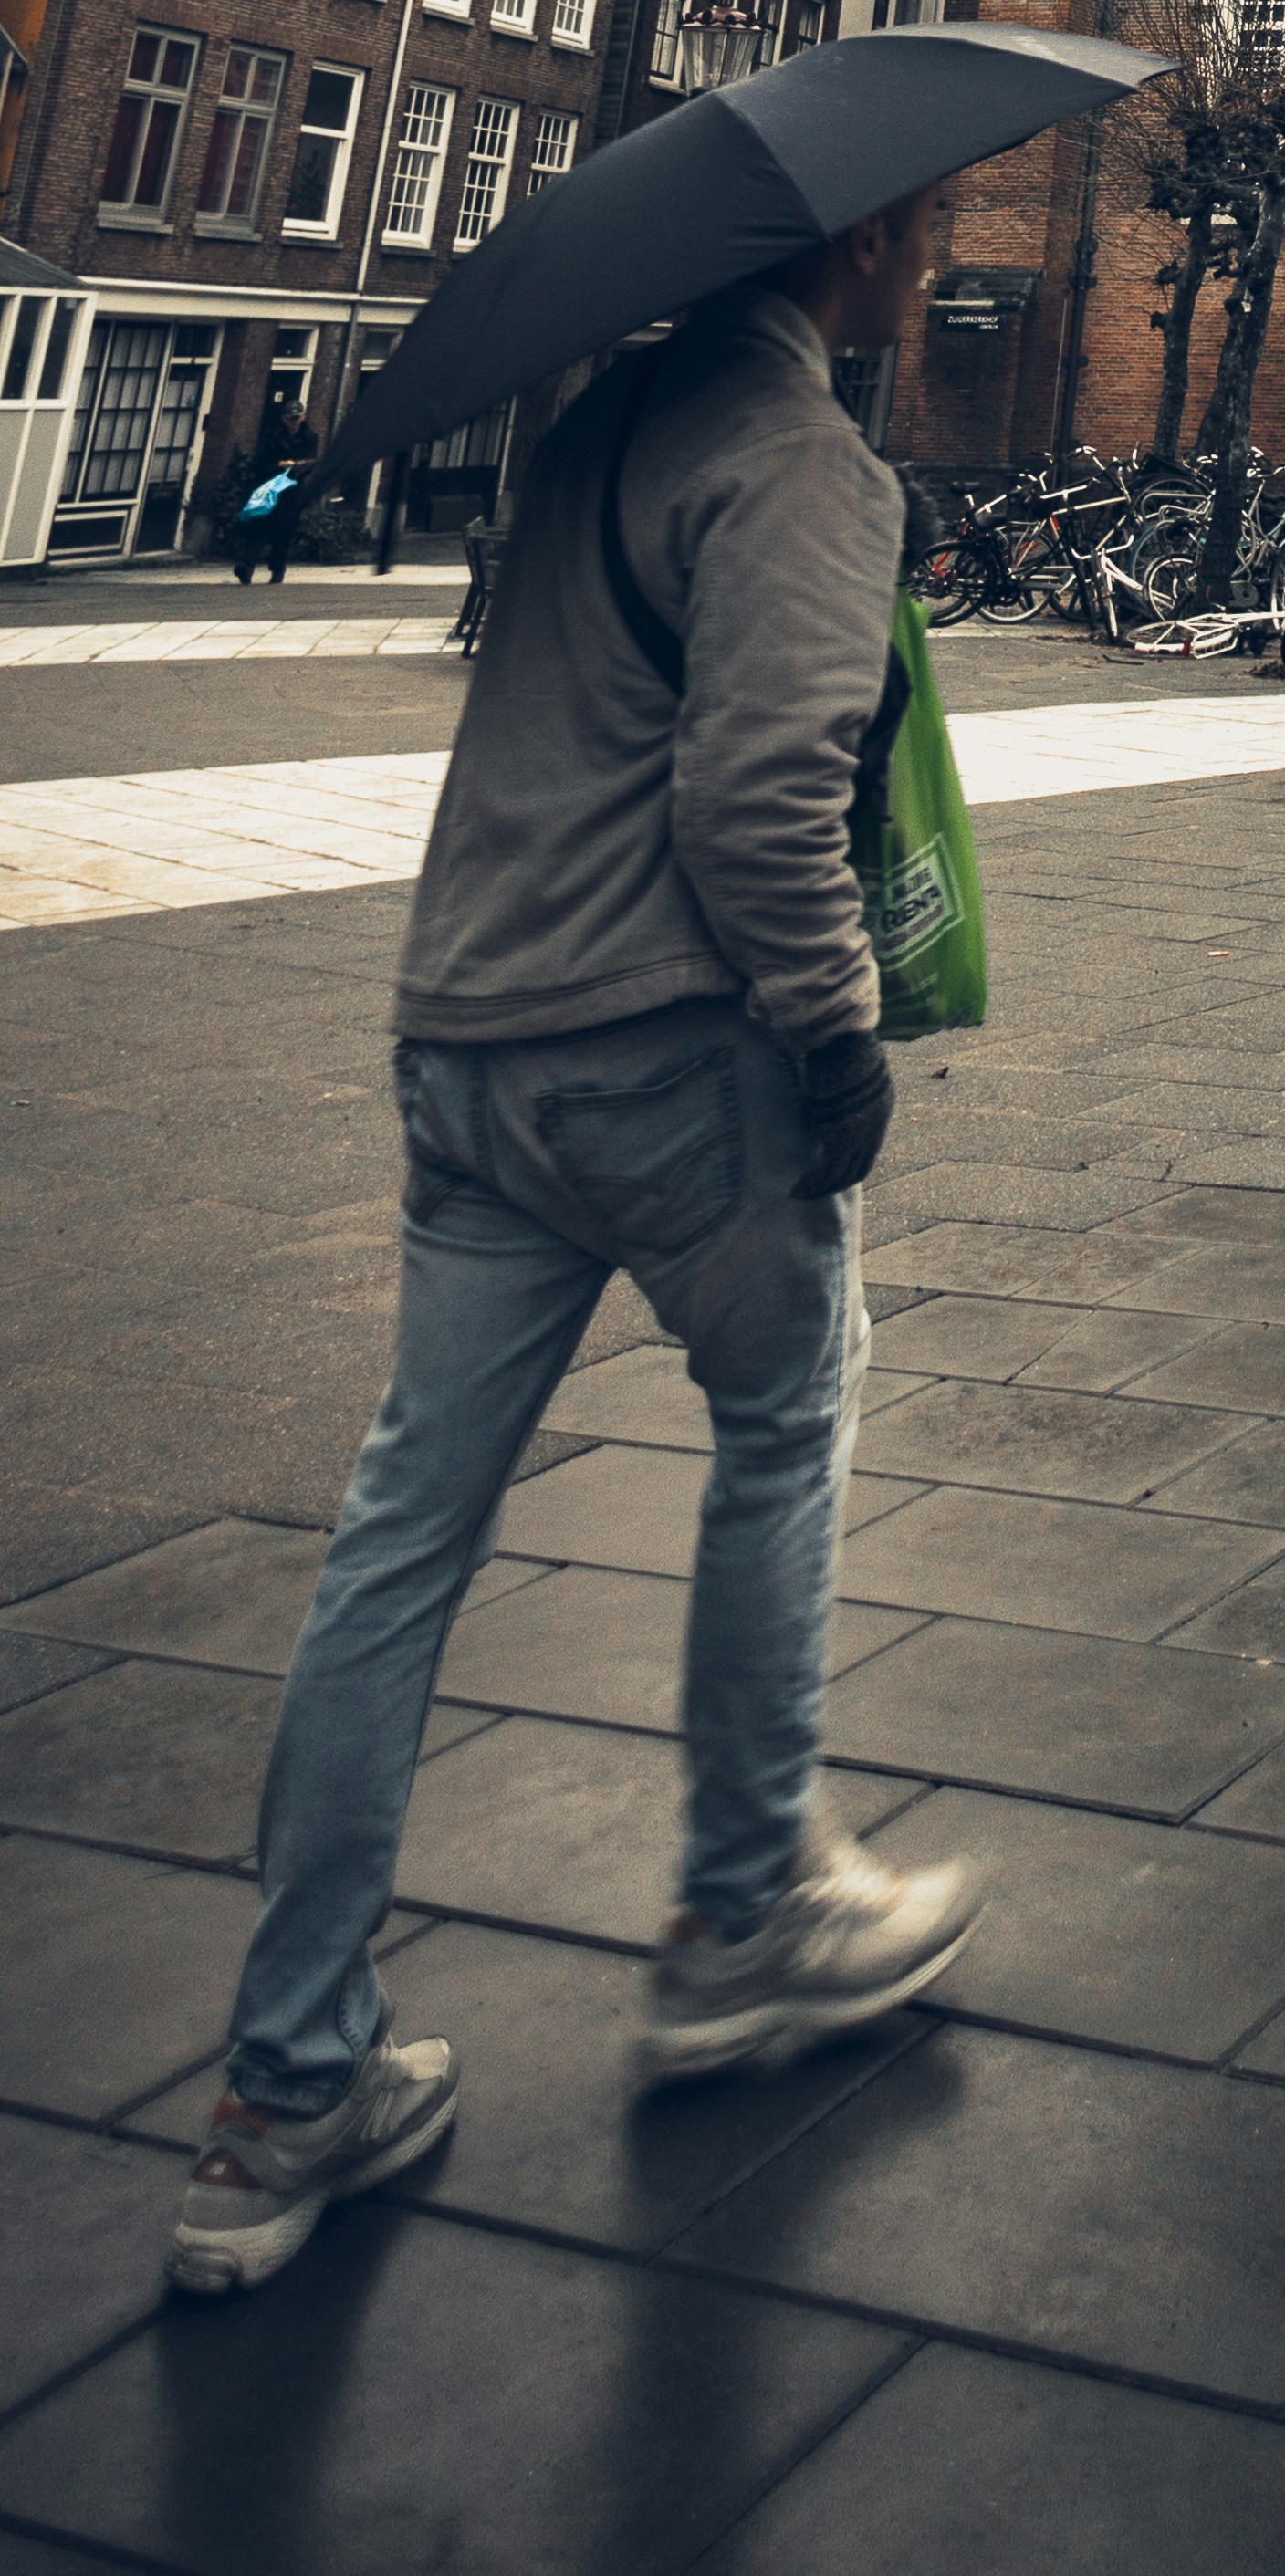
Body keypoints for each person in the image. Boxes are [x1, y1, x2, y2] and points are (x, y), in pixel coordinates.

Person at [168, 182, 982, 2299]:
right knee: (788, 1414)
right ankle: (738, 1910)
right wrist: (832, 1033)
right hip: (658, 1060)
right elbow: (757, 796)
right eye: (927, 233)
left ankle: (280, 2087)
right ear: (862, 250)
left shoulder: (591, 433)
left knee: (399, 1536)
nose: (931, 261)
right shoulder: (804, 462)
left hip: (465, 1042)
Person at [232, 387, 319, 589]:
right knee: (257, 524)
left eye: (297, 419)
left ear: (303, 417)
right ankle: (246, 567)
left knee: (283, 531)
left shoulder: (310, 437)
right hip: (269, 485)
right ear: (284, 418)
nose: (293, 423)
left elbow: (312, 463)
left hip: (291, 489)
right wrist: (277, 466)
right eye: (290, 419)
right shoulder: (272, 434)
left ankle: (277, 570)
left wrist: (295, 467)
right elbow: (259, 461)